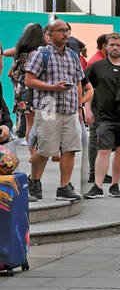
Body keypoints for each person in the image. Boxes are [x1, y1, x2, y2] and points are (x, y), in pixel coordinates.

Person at [23, 19, 92, 201]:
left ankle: (64, 187)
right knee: (45, 149)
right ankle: (34, 180)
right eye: (61, 30)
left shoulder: (73, 55)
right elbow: (29, 81)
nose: (65, 34)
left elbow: (78, 82)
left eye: (67, 30)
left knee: (70, 149)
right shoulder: (41, 54)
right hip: (48, 108)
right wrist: (53, 87)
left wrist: (79, 107)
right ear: (50, 34)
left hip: (69, 109)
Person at [6, 23, 46, 140]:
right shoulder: (38, 52)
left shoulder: (20, 49)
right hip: (33, 87)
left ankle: (32, 152)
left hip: (21, 87)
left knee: (29, 123)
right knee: (38, 122)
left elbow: (9, 58)